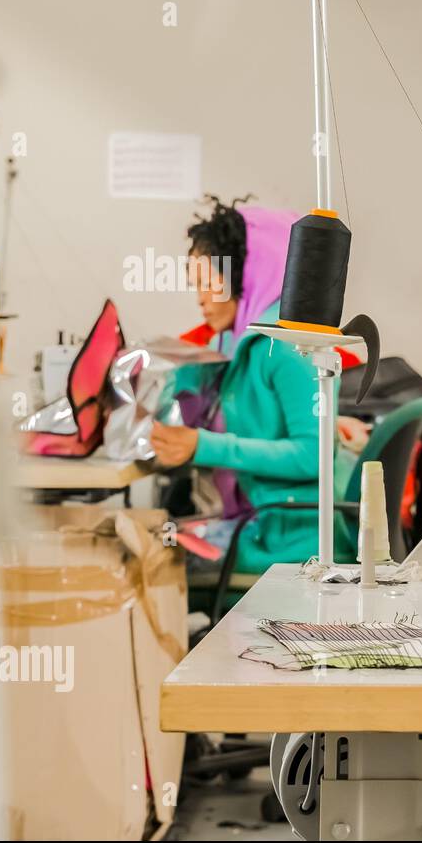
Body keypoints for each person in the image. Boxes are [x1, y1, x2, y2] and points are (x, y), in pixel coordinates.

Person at [151, 196, 340, 575]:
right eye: (196, 285)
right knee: (153, 540)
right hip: (257, 522)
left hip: (288, 536)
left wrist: (203, 446)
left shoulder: (286, 346)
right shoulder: (237, 344)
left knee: (151, 557)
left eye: (209, 283)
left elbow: (315, 455)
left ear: (246, 274)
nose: (201, 298)